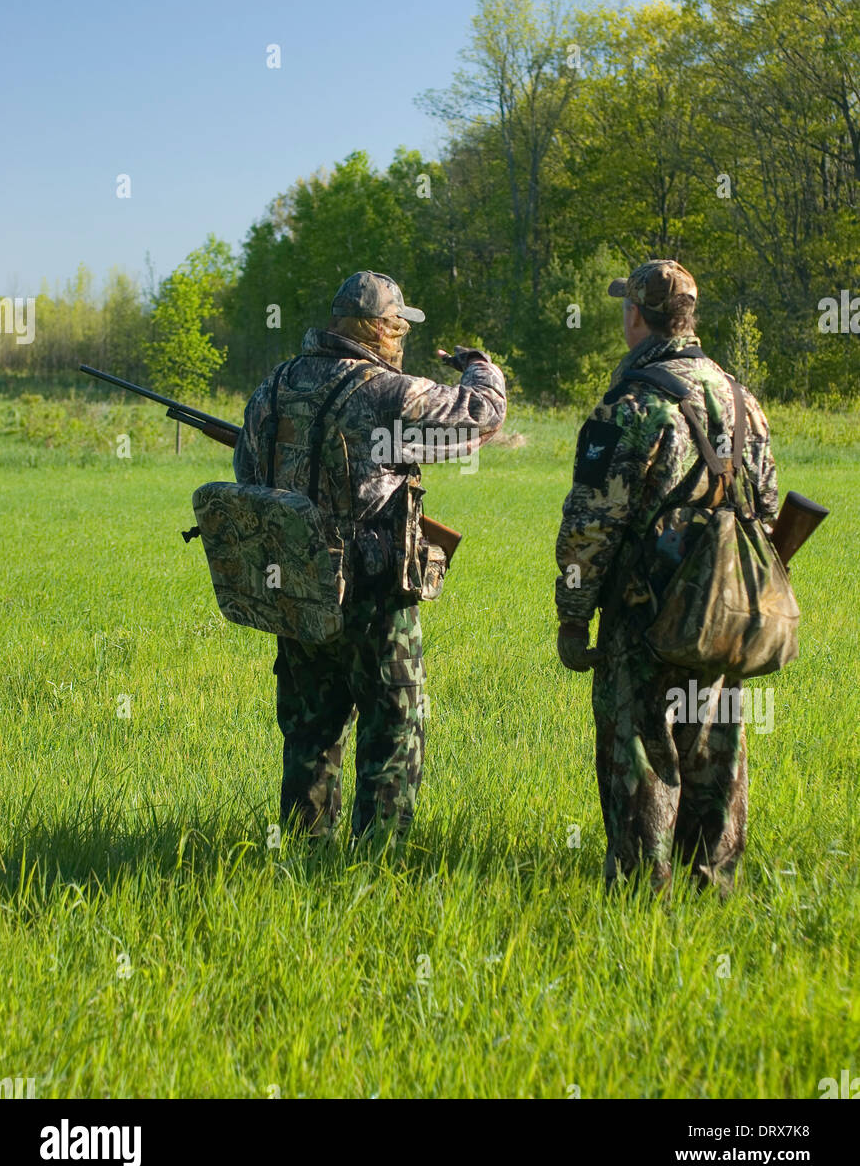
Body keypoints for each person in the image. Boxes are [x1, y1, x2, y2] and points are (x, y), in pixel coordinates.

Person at [234, 270, 506, 845]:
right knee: (393, 727)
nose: (402, 337)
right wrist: (479, 363)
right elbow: (482, 414)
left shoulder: (275, 386)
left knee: (310, 732)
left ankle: (306, 855)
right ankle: (378, 861)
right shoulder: (387, 392)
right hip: (374, 594)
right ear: (378, 328)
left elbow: (249, 477)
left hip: (299, 590)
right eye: (399, 325)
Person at [554, 260, 778, 893]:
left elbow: (590, 525)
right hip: (726, 609)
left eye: (626, 306)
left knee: (643, 756)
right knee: (714, 750)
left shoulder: (631, 404)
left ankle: (640, 895)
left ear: (636, 317)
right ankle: (712, 884)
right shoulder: (743, 400)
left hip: (644, 614)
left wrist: (573, 615)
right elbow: (765, 511)